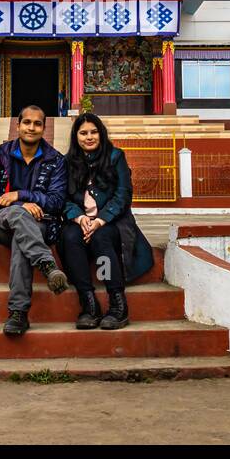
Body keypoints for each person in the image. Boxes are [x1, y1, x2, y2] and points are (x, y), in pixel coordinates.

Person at [0, 104, 69, 336]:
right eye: (27, 122)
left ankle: (18, 313)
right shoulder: (0, 156)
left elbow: (57, 201)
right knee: (18, 215)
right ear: (18, 126)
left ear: (43, 128)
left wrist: (21, 195)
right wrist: (21, 206)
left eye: (37, 123)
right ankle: (48, 266)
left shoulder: (56, 160)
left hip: (40, 224)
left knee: (23, 238)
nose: (32, 127)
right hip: (3, 222)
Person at [60, 112, 154, 330]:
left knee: (101, 239)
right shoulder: (67, 162)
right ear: (76, 137)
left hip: (111, 223)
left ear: (101, 134)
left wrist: (101, 220)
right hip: (80, 222)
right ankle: (89, 304)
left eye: (93, 132)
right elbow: (62, 198)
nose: (89, 137)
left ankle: (117, 302)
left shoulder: (115, 156)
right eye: (83, 133)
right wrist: (79, 217)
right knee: (70, 237)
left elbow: (123, 194)